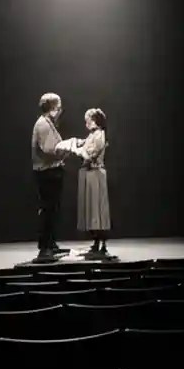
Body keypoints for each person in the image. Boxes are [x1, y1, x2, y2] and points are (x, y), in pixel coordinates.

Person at [31, 93, 73, 263]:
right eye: (59, 106)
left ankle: (51, 243)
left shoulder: (48, 123)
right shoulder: (43, 125)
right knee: (48, 210)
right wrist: (68, 149)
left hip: (51, 171)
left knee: (53, 210)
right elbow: (50, 149)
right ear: (53, 107)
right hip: (47, 172)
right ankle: (45, 248)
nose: (60, 110)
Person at [73, 108, 111, 258]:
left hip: (95, 174)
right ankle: (96, 242)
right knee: (90, 209)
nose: (86, 123)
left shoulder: (99, 135)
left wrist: (78, 151)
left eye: (87, 120)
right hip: (89, 174)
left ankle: (101, 243)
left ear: (94, 120)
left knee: (97, 209)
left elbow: (90, 154)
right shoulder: (92, 135)